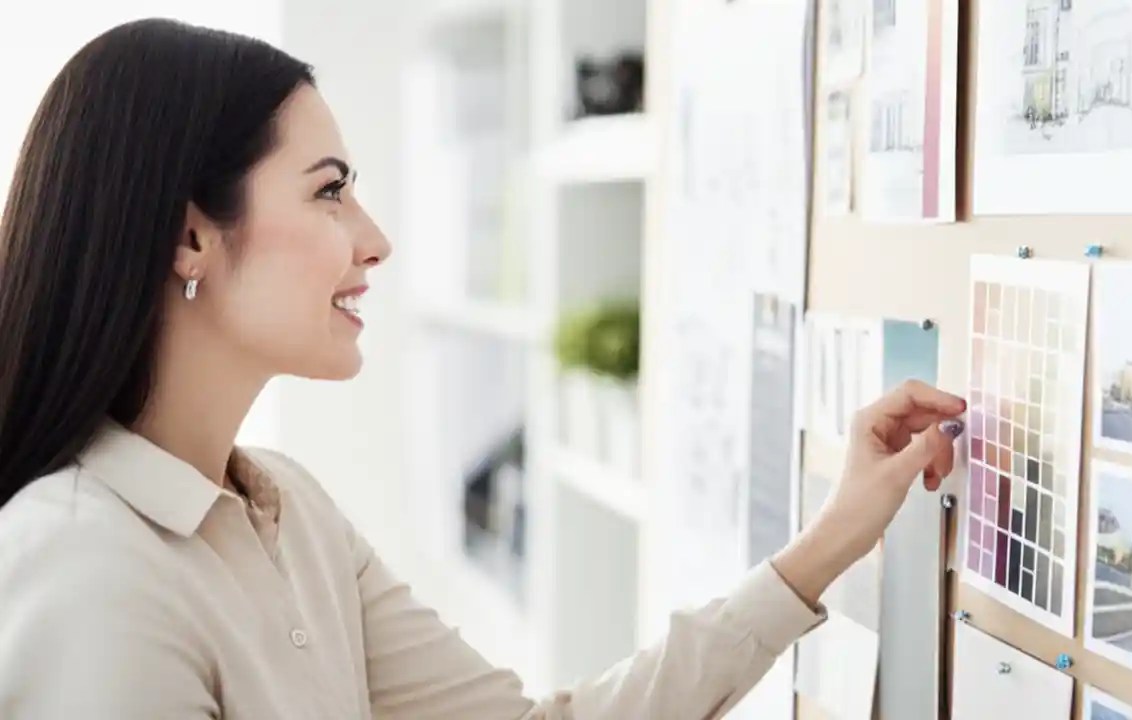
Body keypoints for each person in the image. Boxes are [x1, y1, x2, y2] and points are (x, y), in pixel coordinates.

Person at [0, 19, 966, 719]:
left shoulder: (289, 511)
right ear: (188, 236)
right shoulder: (86, 570)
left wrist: (832, 539)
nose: (373, 241)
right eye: (330, 192)